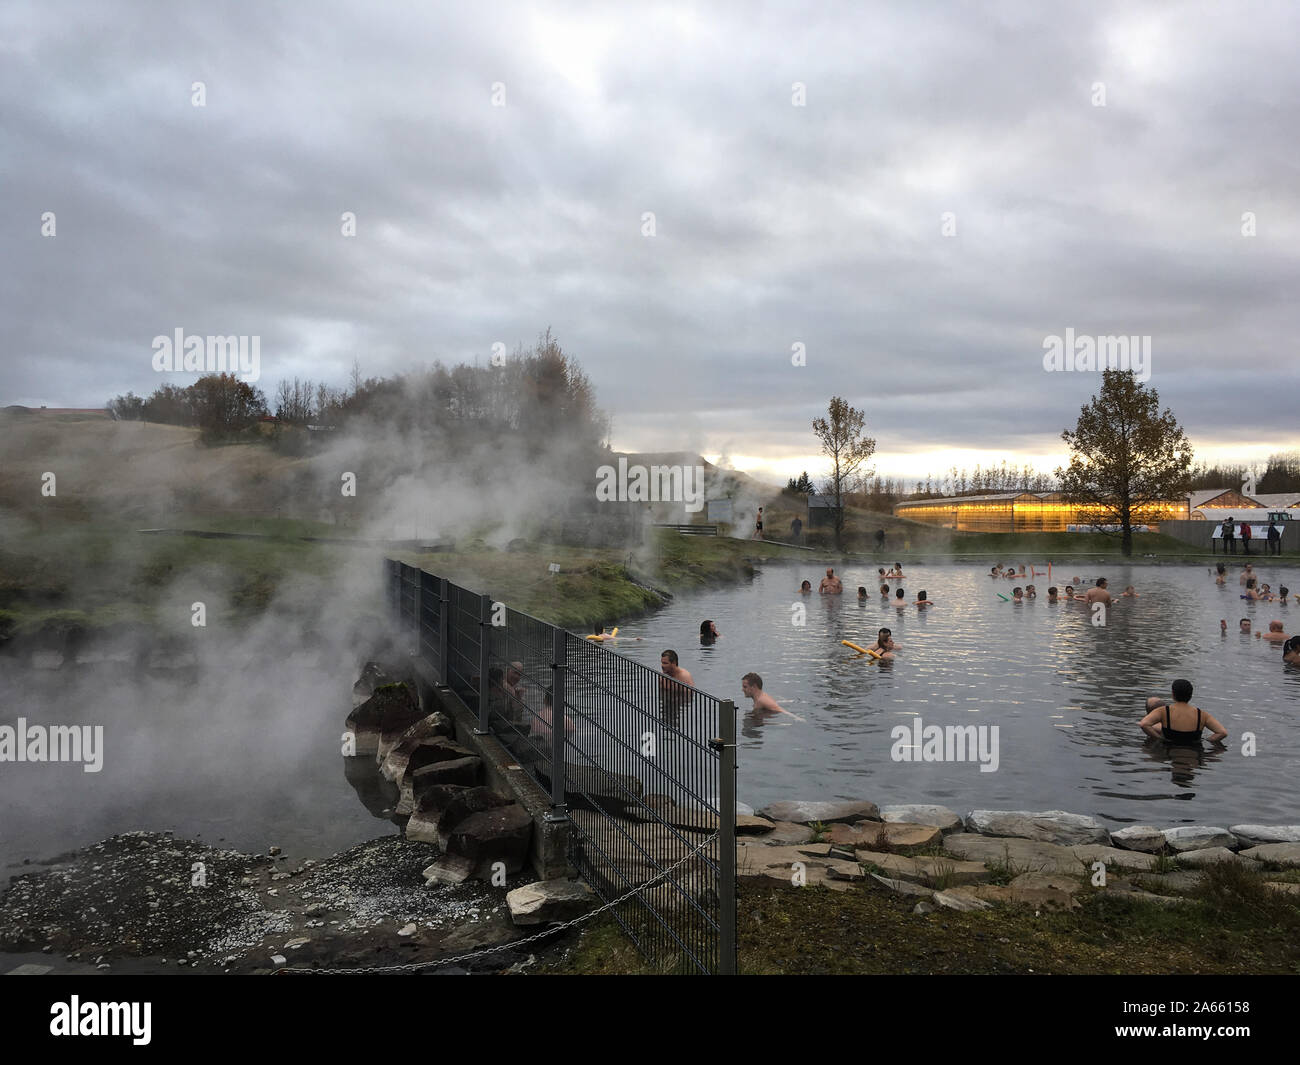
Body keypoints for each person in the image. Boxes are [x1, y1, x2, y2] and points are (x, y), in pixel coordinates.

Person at [1139, 680, 1227, 746]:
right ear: (1191, 695)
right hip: (1193, 754)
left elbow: (1144, 724)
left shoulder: (1164, 711)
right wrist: (1207, 741)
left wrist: (1159, 738)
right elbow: (1222, 733)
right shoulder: (1202, 715)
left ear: (1173, 694)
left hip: (1169, 751)